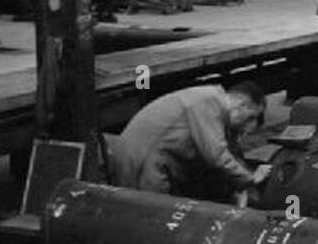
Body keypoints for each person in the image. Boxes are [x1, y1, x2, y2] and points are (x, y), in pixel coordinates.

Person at [110, 80, 270, 203]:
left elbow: (225, 151)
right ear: (241, 105)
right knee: (154, 216)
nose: (247, 125)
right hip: (143, 160)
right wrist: (249, 178)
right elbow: (216, 155)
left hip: (144, 156)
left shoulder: (208, 99)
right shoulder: (210, 101)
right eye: (251, 117)